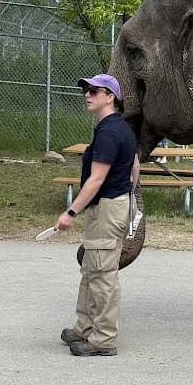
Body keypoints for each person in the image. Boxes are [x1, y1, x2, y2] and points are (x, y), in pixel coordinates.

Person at [54, 73, 138, 357]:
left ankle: (103, 339)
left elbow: (96, 179)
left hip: (107, 208)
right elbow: (134, 166)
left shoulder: (110, 132)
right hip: (110, 206)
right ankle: (85, 327)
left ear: (110, 97)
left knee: (103, 274)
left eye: (94, 91)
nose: (87, 95)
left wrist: (71, 212)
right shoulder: (116, 127)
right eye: (86, 91)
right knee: (91, 269)